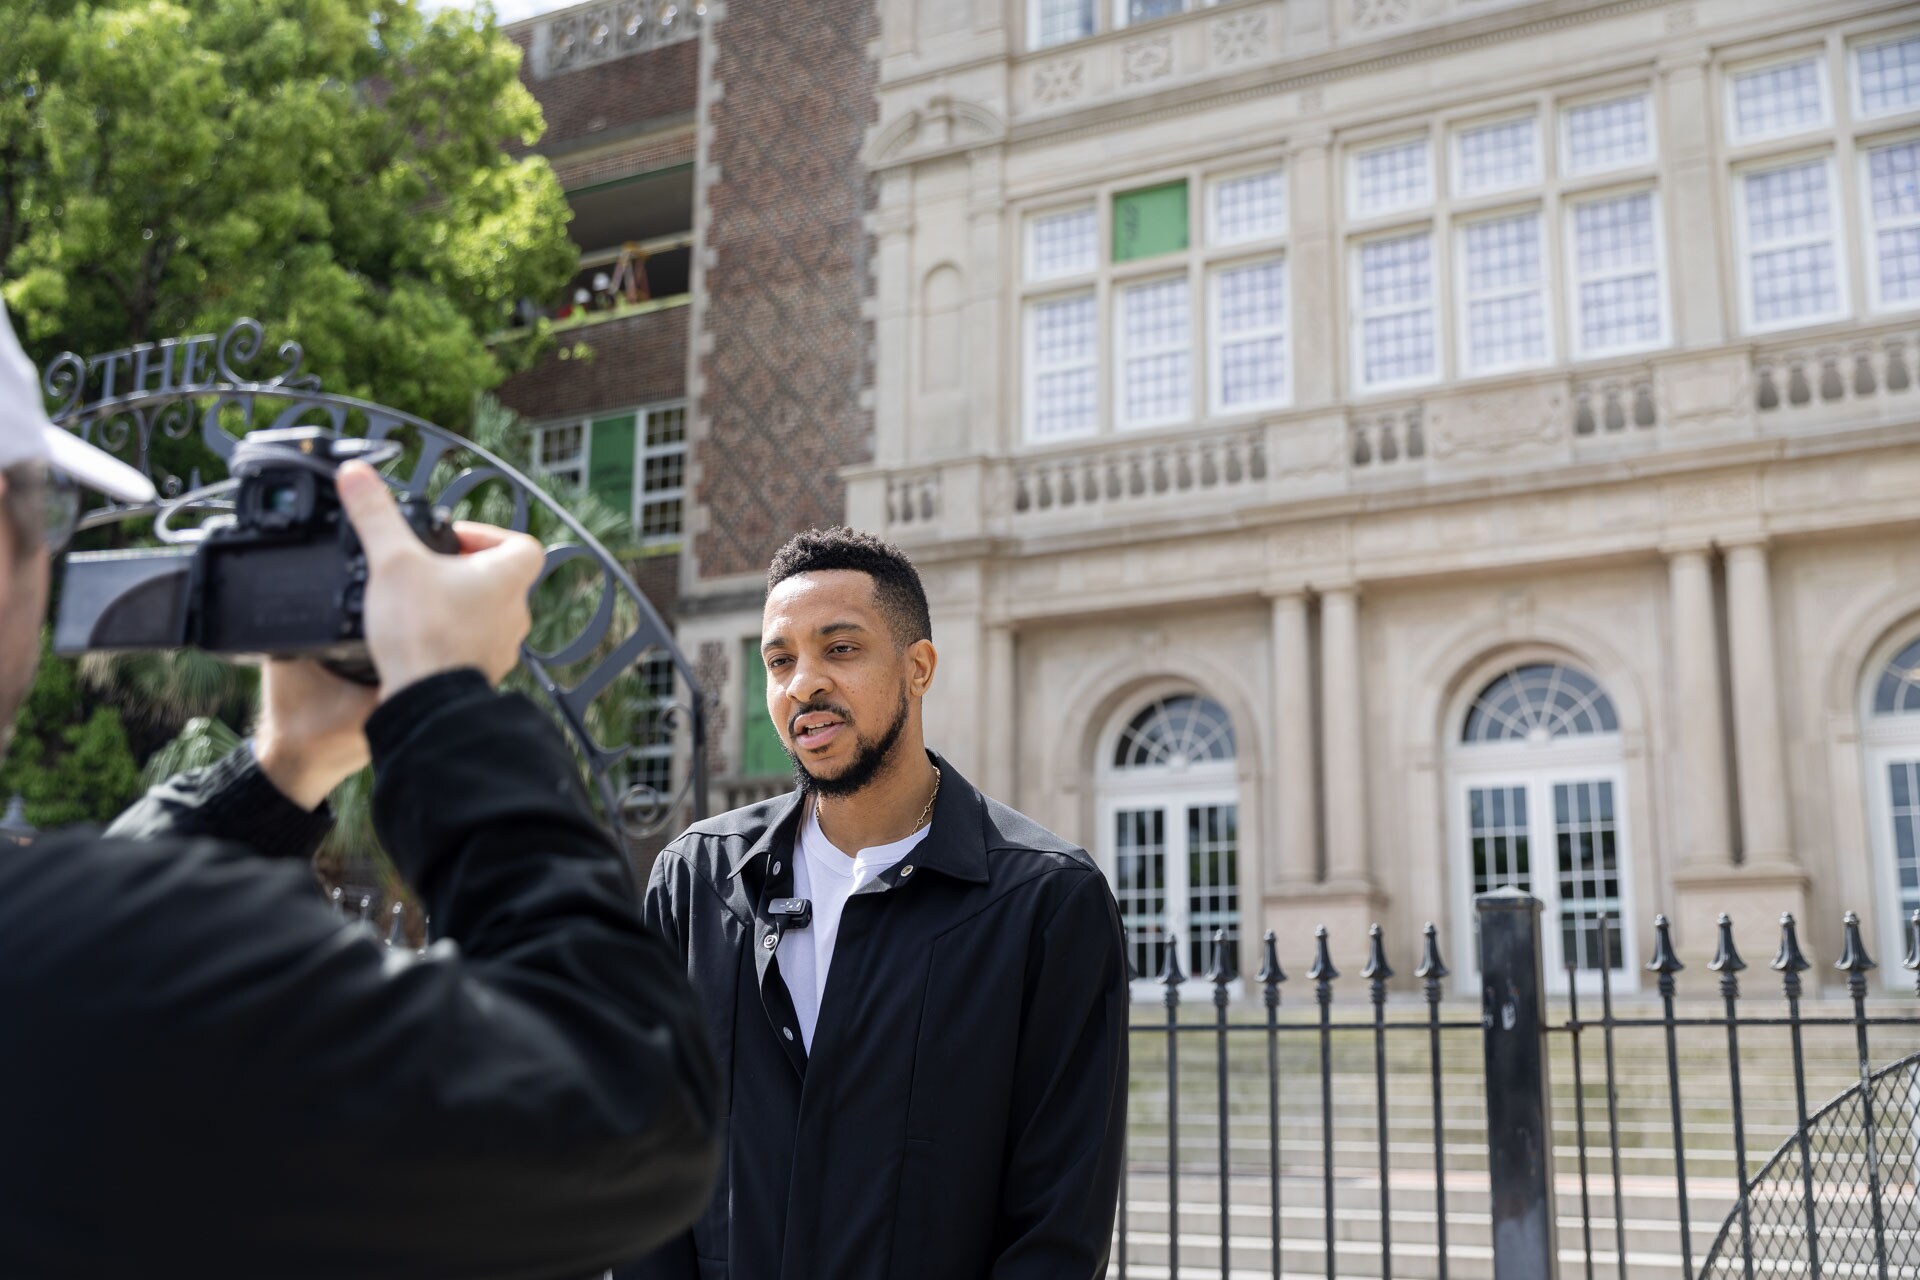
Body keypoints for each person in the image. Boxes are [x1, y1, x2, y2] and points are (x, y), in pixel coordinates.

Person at [0, 301, 721, 1278]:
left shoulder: (65, 971)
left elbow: (92, 977)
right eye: (44, 509)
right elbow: (632, 1095)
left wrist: (283, 764)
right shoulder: (81, 969)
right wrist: (443, 703)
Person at [628, 528, 1129, 1280]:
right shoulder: (695, 882)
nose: (802, 683)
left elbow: (1058, 1225)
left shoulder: (1048, 903)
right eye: (779, 660)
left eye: (841, 649)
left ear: (918, 667)